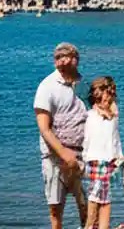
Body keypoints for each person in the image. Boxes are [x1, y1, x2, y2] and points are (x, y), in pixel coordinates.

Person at [34, 42, 88, 229]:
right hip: (55, 158)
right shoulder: (47, 86)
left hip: (83, 156)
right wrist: (64, 153)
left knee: (87, 206)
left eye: (65, 56)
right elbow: (44, 127)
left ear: (75, 59)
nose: (61, 60)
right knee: (56, 209)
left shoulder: (84, 85)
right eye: (57, 57)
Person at [82, 76, 122, 229]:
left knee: (105, 200)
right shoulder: (90, 115)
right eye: (105, 97)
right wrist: (84, 159)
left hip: (109, 161)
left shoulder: (113, 117)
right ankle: (89, 226)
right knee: (94, 198)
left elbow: (116, 139)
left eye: (110, 97)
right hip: (94, 160)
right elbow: (86, 140)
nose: (108, 100)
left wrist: (119, 158)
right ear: (97, 97)